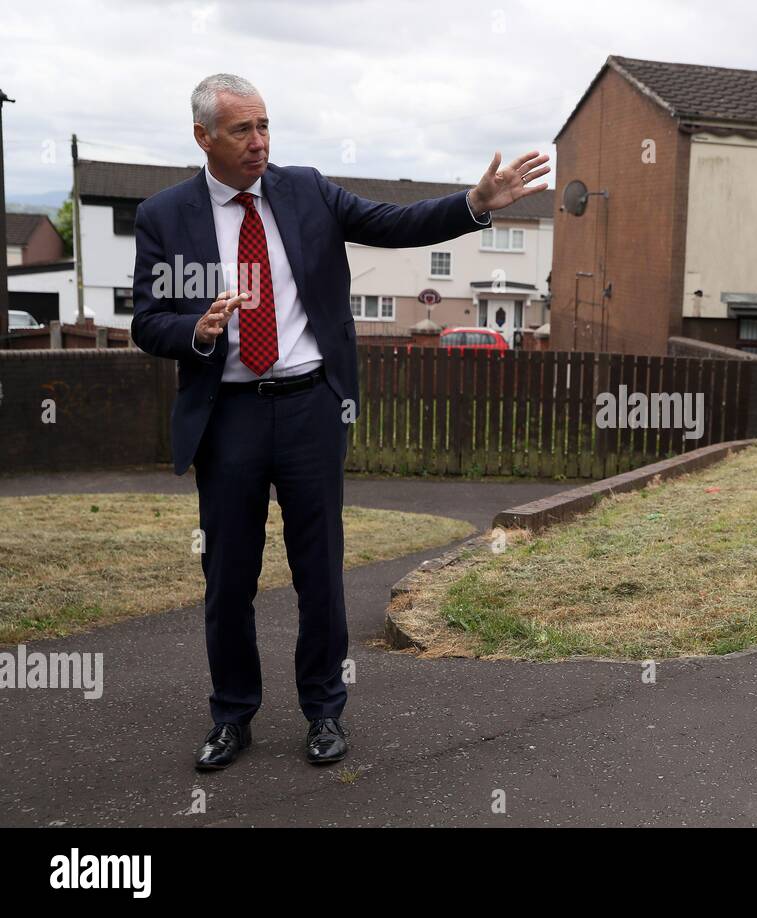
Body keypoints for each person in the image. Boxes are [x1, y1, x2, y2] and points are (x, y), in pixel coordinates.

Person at [129, 73, 549, 770]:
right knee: (228, 578)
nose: (260, 142)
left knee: (318, 573)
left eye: (265, 126)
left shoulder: (308, 190)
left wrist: (475, 205)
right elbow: (147, 319)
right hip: (226, 416)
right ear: (203, 136)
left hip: (308, 409)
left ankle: (324, 712)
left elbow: (394, 223)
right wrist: (194, 330)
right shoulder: (165, 216)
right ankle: (232, 717)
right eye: (242, 131)